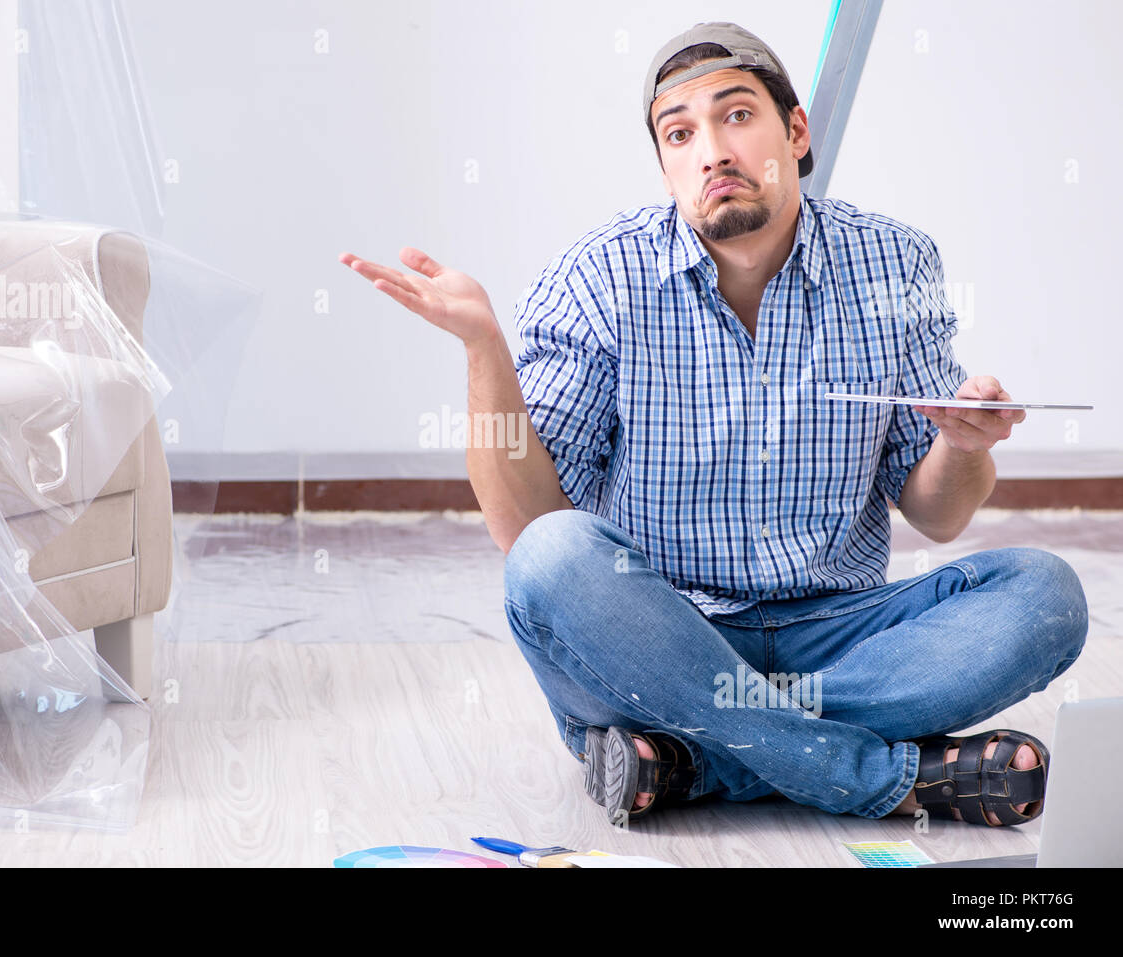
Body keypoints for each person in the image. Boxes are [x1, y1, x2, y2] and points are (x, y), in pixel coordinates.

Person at [338, 22, 1088, 828]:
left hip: (834, 637)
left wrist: (961, 444)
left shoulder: (892, 263)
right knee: (552, 560)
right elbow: (523, 528)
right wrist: (484, 348)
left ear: (796, 133)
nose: (711, 151)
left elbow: (941, 515)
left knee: (1043, 595)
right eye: (680, 133)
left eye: (736, 116)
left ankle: (700, 761)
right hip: (657, 632)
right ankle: (866, 770)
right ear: (665, 167)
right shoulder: (600, 277)